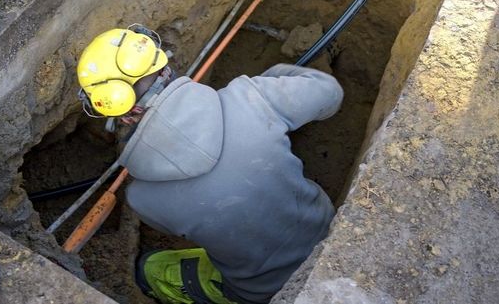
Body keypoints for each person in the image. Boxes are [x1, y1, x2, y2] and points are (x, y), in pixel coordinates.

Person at [77, 26, 344, 304]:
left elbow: (183, 228)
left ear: (124, 116)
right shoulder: (252, 97)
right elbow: (330, 94)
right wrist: (268, 85)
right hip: (328, 230)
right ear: (165, 67)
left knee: (150, 269)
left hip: (262, 288)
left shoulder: (143, 198)